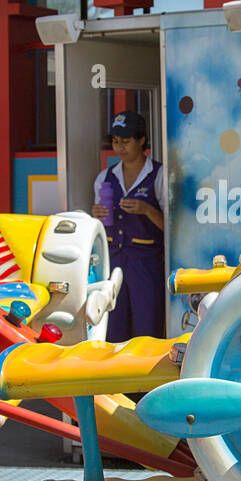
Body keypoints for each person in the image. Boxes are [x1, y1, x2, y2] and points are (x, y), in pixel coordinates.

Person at [92, 110, 166, 339]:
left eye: (126, 141)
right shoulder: (105, 176)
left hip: (146, 261)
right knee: (113, 325)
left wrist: (146, 210)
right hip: (113, 259)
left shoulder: (159, 174)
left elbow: (172, 228)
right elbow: (98, 228)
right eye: (115, 142)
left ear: (141, 140)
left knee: (148, 324)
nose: (120, 148)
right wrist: (96, 215)